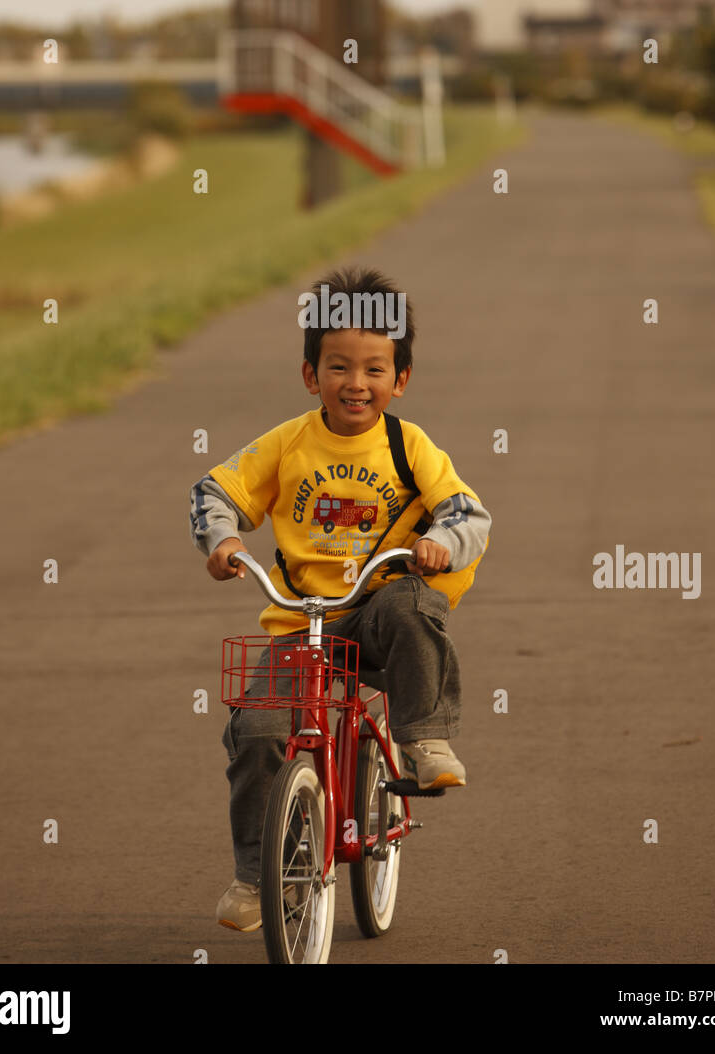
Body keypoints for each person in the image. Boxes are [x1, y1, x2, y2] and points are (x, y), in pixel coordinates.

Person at [188, 265, 491, 932]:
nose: (357, 383)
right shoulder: (289, 443)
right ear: (310, 374)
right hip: (303, 623)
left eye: (375, 369)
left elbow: (471, 516)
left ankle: (426, 741)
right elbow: (214, 492)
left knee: (414, 606)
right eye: (338, 367)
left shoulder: (409, 447)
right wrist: (221, 541)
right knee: (257, 731)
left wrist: (442, 539)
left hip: (379, 613)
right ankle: (253, 873)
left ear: (399, 379)